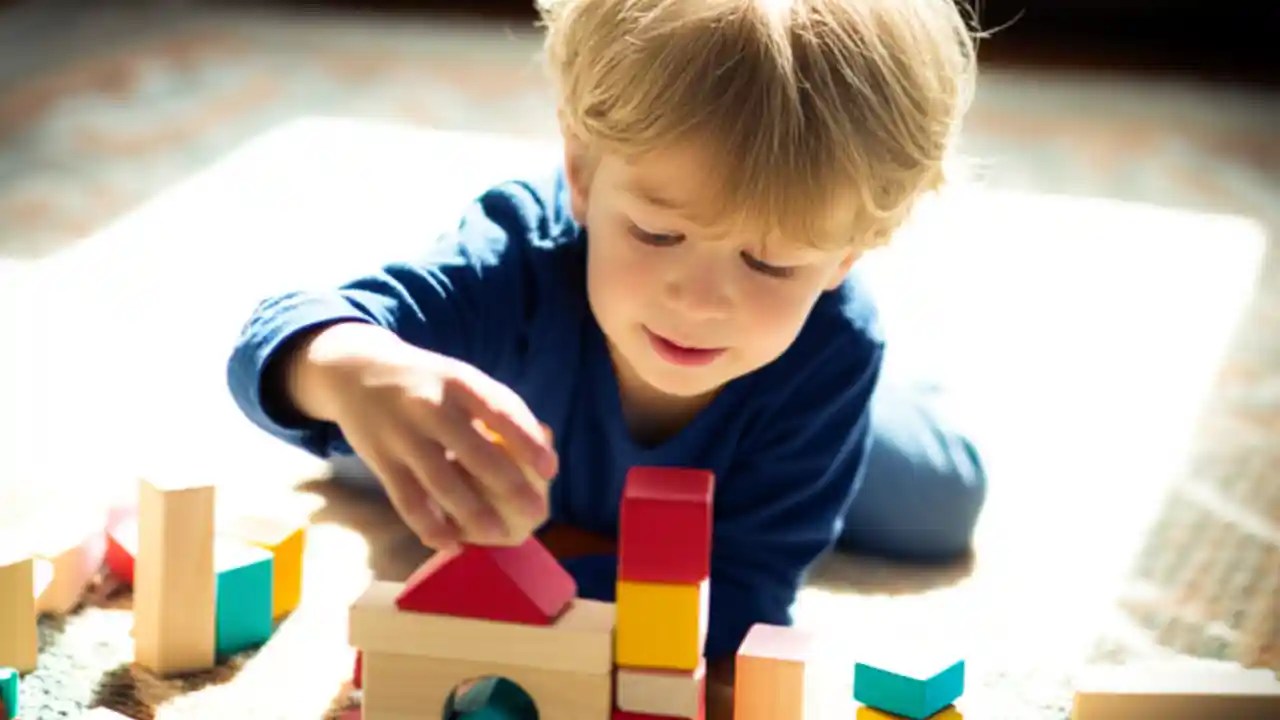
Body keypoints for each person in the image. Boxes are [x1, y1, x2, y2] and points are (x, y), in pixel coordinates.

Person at [225, 0, 986, 709]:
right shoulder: (520, 258)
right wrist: (351, 369)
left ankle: (880, 400)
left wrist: (550, 581)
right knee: (374, 437)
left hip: (779, 409)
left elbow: (746, 602)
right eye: (657, 234)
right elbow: (277, 339)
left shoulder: (829, 351)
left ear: (852, 252)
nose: (699, 299)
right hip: (533, 403)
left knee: (940, 509)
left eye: (770, 263)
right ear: (582, 173)